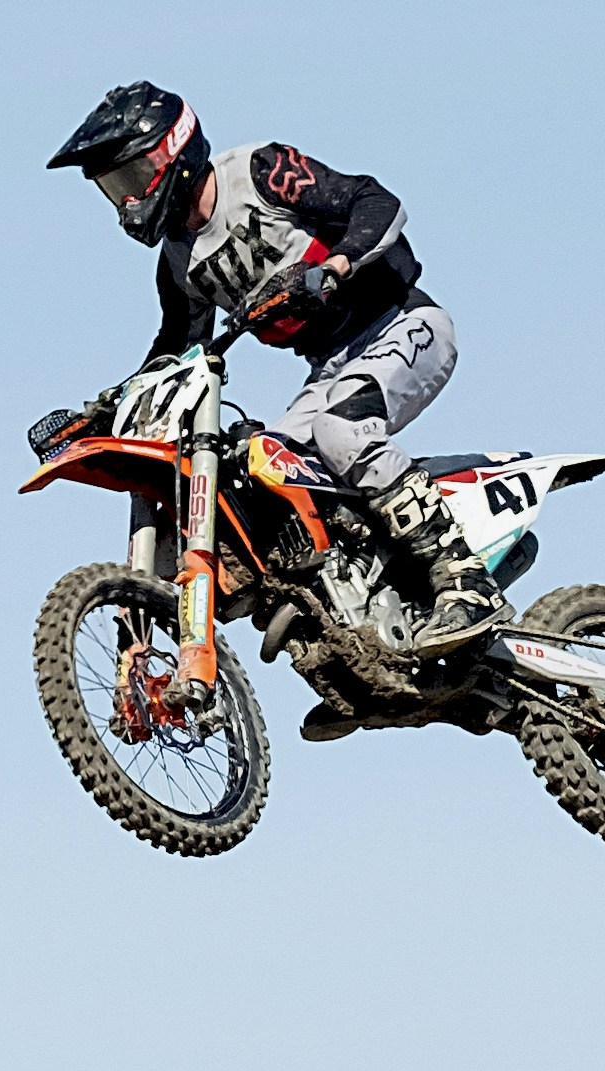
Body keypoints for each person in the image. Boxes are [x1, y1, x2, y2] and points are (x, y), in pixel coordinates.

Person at [35, 81, 500, 652]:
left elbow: (376, 202)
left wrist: (334, 267)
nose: (127, 201)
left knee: (339, 429)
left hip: (402, 325)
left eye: (130, 181)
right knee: (264, 479)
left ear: (171, 153)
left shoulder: (259, 173)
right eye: (114, 191)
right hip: (329, 368)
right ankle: (351, 639)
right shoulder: (179, 263)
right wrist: (103, 411)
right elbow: (175, 347)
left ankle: (466, 582)